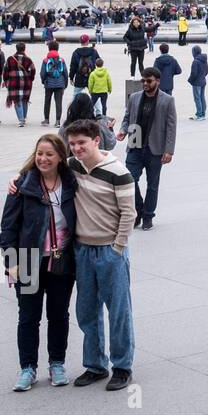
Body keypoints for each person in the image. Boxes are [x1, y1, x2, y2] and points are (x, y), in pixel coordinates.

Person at [0, 133, 78, 390]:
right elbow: (8, 227)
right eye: (39, 154)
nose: (43, 159)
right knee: (28, 317)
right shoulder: (23, 184)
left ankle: (57, 363)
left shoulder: (71, 182)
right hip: (27, 261)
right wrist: (10, 262)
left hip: (61, 260)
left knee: (58, 314)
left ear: (60, 158)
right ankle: (27, 368)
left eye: (49, 154)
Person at [65, 119, 137, 391]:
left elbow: (129, 213)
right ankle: (95, 364)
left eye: (81, 143)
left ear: (96, 140)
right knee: (86, 310)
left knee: (118, 310)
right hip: (82, 249)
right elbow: (40, 168)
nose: (76, 149)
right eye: (72, 144)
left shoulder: (119, 172)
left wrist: (118, 248)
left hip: (110, 249)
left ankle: (122, 366)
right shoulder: (71, 166)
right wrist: (15, 178)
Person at [117, 67, 177, 231]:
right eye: (143, 80)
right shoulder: (134, 97)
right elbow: (127, 117)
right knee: (129, 180)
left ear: (157, 81)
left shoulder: (167, 100)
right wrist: (123, 130)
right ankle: (139, 211)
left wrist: (169, 150)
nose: (144, 83)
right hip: (135, 145)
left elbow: (171, 127)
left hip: (155, 149)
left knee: (152, 184)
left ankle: (148, 216)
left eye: (148, 81)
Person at [3, 41, 37, 127]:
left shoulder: (10, 59)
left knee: (17, 100)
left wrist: (6, 80)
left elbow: (5, 71)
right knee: (24, 99)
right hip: (26, 82)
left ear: (16, 49)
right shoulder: (28, 59)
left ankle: (21, 119)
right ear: (24, 49)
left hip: (14, 82)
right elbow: (33, 70)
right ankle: (24, 118)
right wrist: (31, 78)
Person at [39, 41, 68, 128]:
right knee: (58, 102)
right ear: (57, 49)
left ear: (49, 48)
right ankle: (58, 121)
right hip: (60, 83)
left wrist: (43, 81)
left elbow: (42, 73)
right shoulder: (61, 60)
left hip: (49, 84)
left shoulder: (45, 60)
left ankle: (46, 119)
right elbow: (65, 73)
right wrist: (65, 83)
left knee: (47, 101)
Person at [68, 34, 99, 105]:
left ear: (80, 41)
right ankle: (98, 112)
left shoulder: (76, 52)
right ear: (88, 41)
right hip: (91, 76)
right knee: (95, 96)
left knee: (75, 95)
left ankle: (73, 110)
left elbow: (73, 66)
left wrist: (71, 77)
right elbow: (98, 62)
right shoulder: (93, 51)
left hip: (79, 76)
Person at [188, 45, 208, 120]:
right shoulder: (204, 60)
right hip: (203, 80)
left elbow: (194, 73)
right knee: (202, 97)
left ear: (194, 52)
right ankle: (203, 113)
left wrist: (190, 80)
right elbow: (206, 72)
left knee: (197, 98)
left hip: (197, 82)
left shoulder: (195, 61)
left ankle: (199, 114)